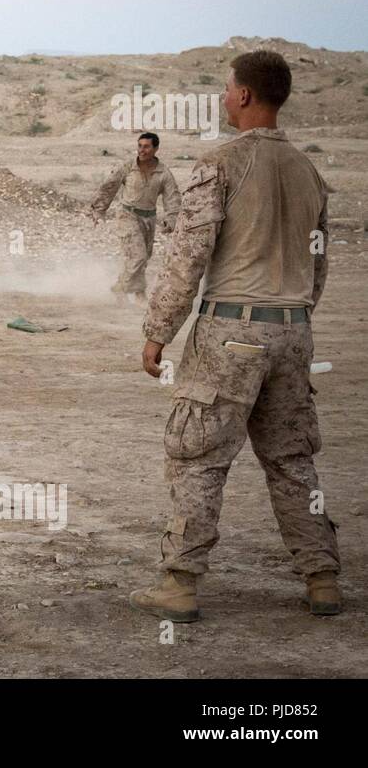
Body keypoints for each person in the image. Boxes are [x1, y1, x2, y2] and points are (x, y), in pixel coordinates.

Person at [131, 51, 340, 621]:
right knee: (293, 460)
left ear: (245, 96)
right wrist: (292, 322)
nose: (224, 98)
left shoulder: (219, 162)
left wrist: (158, 331)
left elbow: (188, 256)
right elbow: (318, 267)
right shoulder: (309, 170)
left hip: (230, 333)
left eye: (227, 90)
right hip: (294, 332)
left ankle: (179, 584)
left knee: (197, 457)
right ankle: (321, 577)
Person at [89, 132, 181, 301]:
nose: (141, 150)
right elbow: (109, 186)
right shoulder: (127, 167)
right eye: (139, 146)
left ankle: (139, 293)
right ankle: (120, 288)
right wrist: (98, 210)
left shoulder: (164, 173)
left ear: (156, 149)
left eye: (146, 147)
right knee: (138, 256)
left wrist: (171, 219)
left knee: (144, 257)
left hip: (149, 219)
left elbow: (172, 197)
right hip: (127, 215)